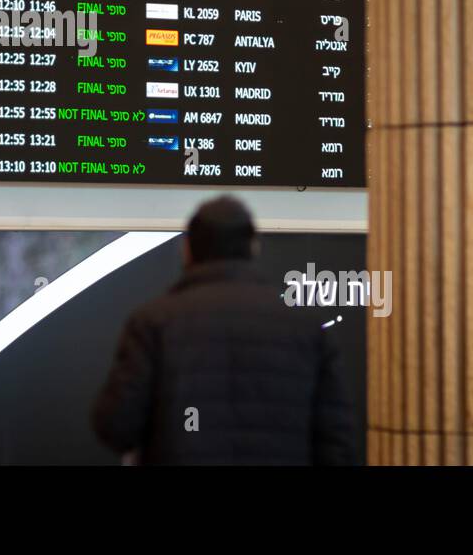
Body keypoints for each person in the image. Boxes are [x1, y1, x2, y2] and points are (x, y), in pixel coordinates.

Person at [91, 195, 357, 464]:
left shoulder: (152, 323)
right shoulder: (309, 331)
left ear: (187, 250)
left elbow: (116, 426)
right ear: (254, 248)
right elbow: (336, 444)